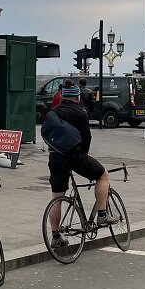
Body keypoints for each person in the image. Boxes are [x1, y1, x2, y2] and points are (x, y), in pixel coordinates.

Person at [47, 79, 115, 248]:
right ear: (77, 97)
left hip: (55, 157)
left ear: (62, 96)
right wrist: (84, 154)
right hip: (75, 156)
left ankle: (56, 236)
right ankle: (102, 214)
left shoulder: (53, 113)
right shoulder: (80, 113)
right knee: (102, 175)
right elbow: (86, 138)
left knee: (57, 197)